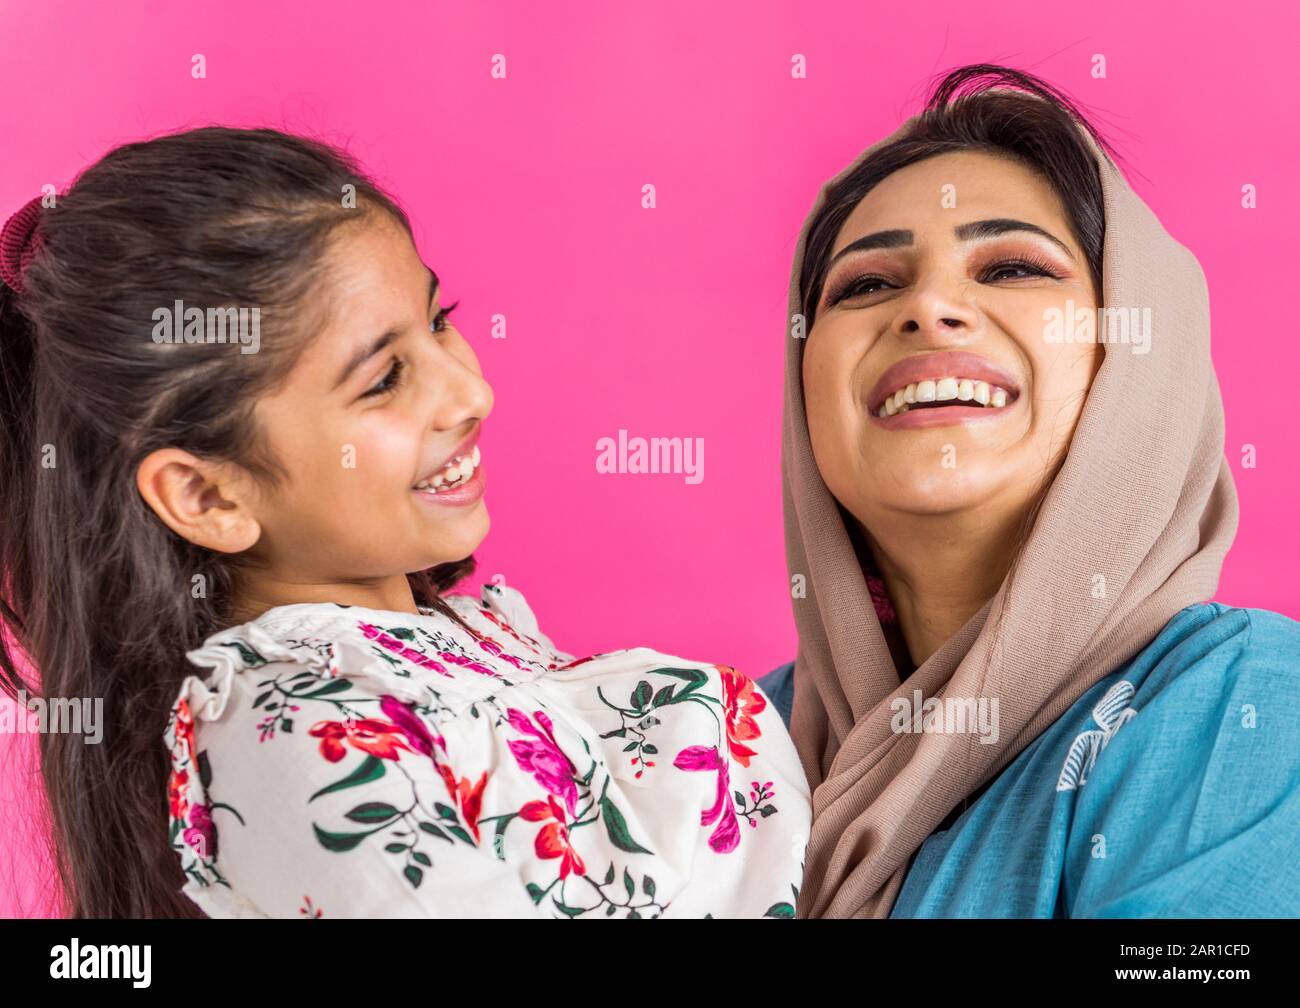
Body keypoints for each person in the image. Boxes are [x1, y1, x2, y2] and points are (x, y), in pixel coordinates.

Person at [0, 127, 808, 918]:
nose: (469, 395)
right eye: (385, 378)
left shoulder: (437, 646)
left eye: (438, 320)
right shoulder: (298, 737)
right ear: (211, 497)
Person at [758, 64, 1300, 918]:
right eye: (865, 285)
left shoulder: (1249, 713)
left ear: (1131, 357)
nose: (931, 308)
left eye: (1012, 268)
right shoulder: (725, 742)